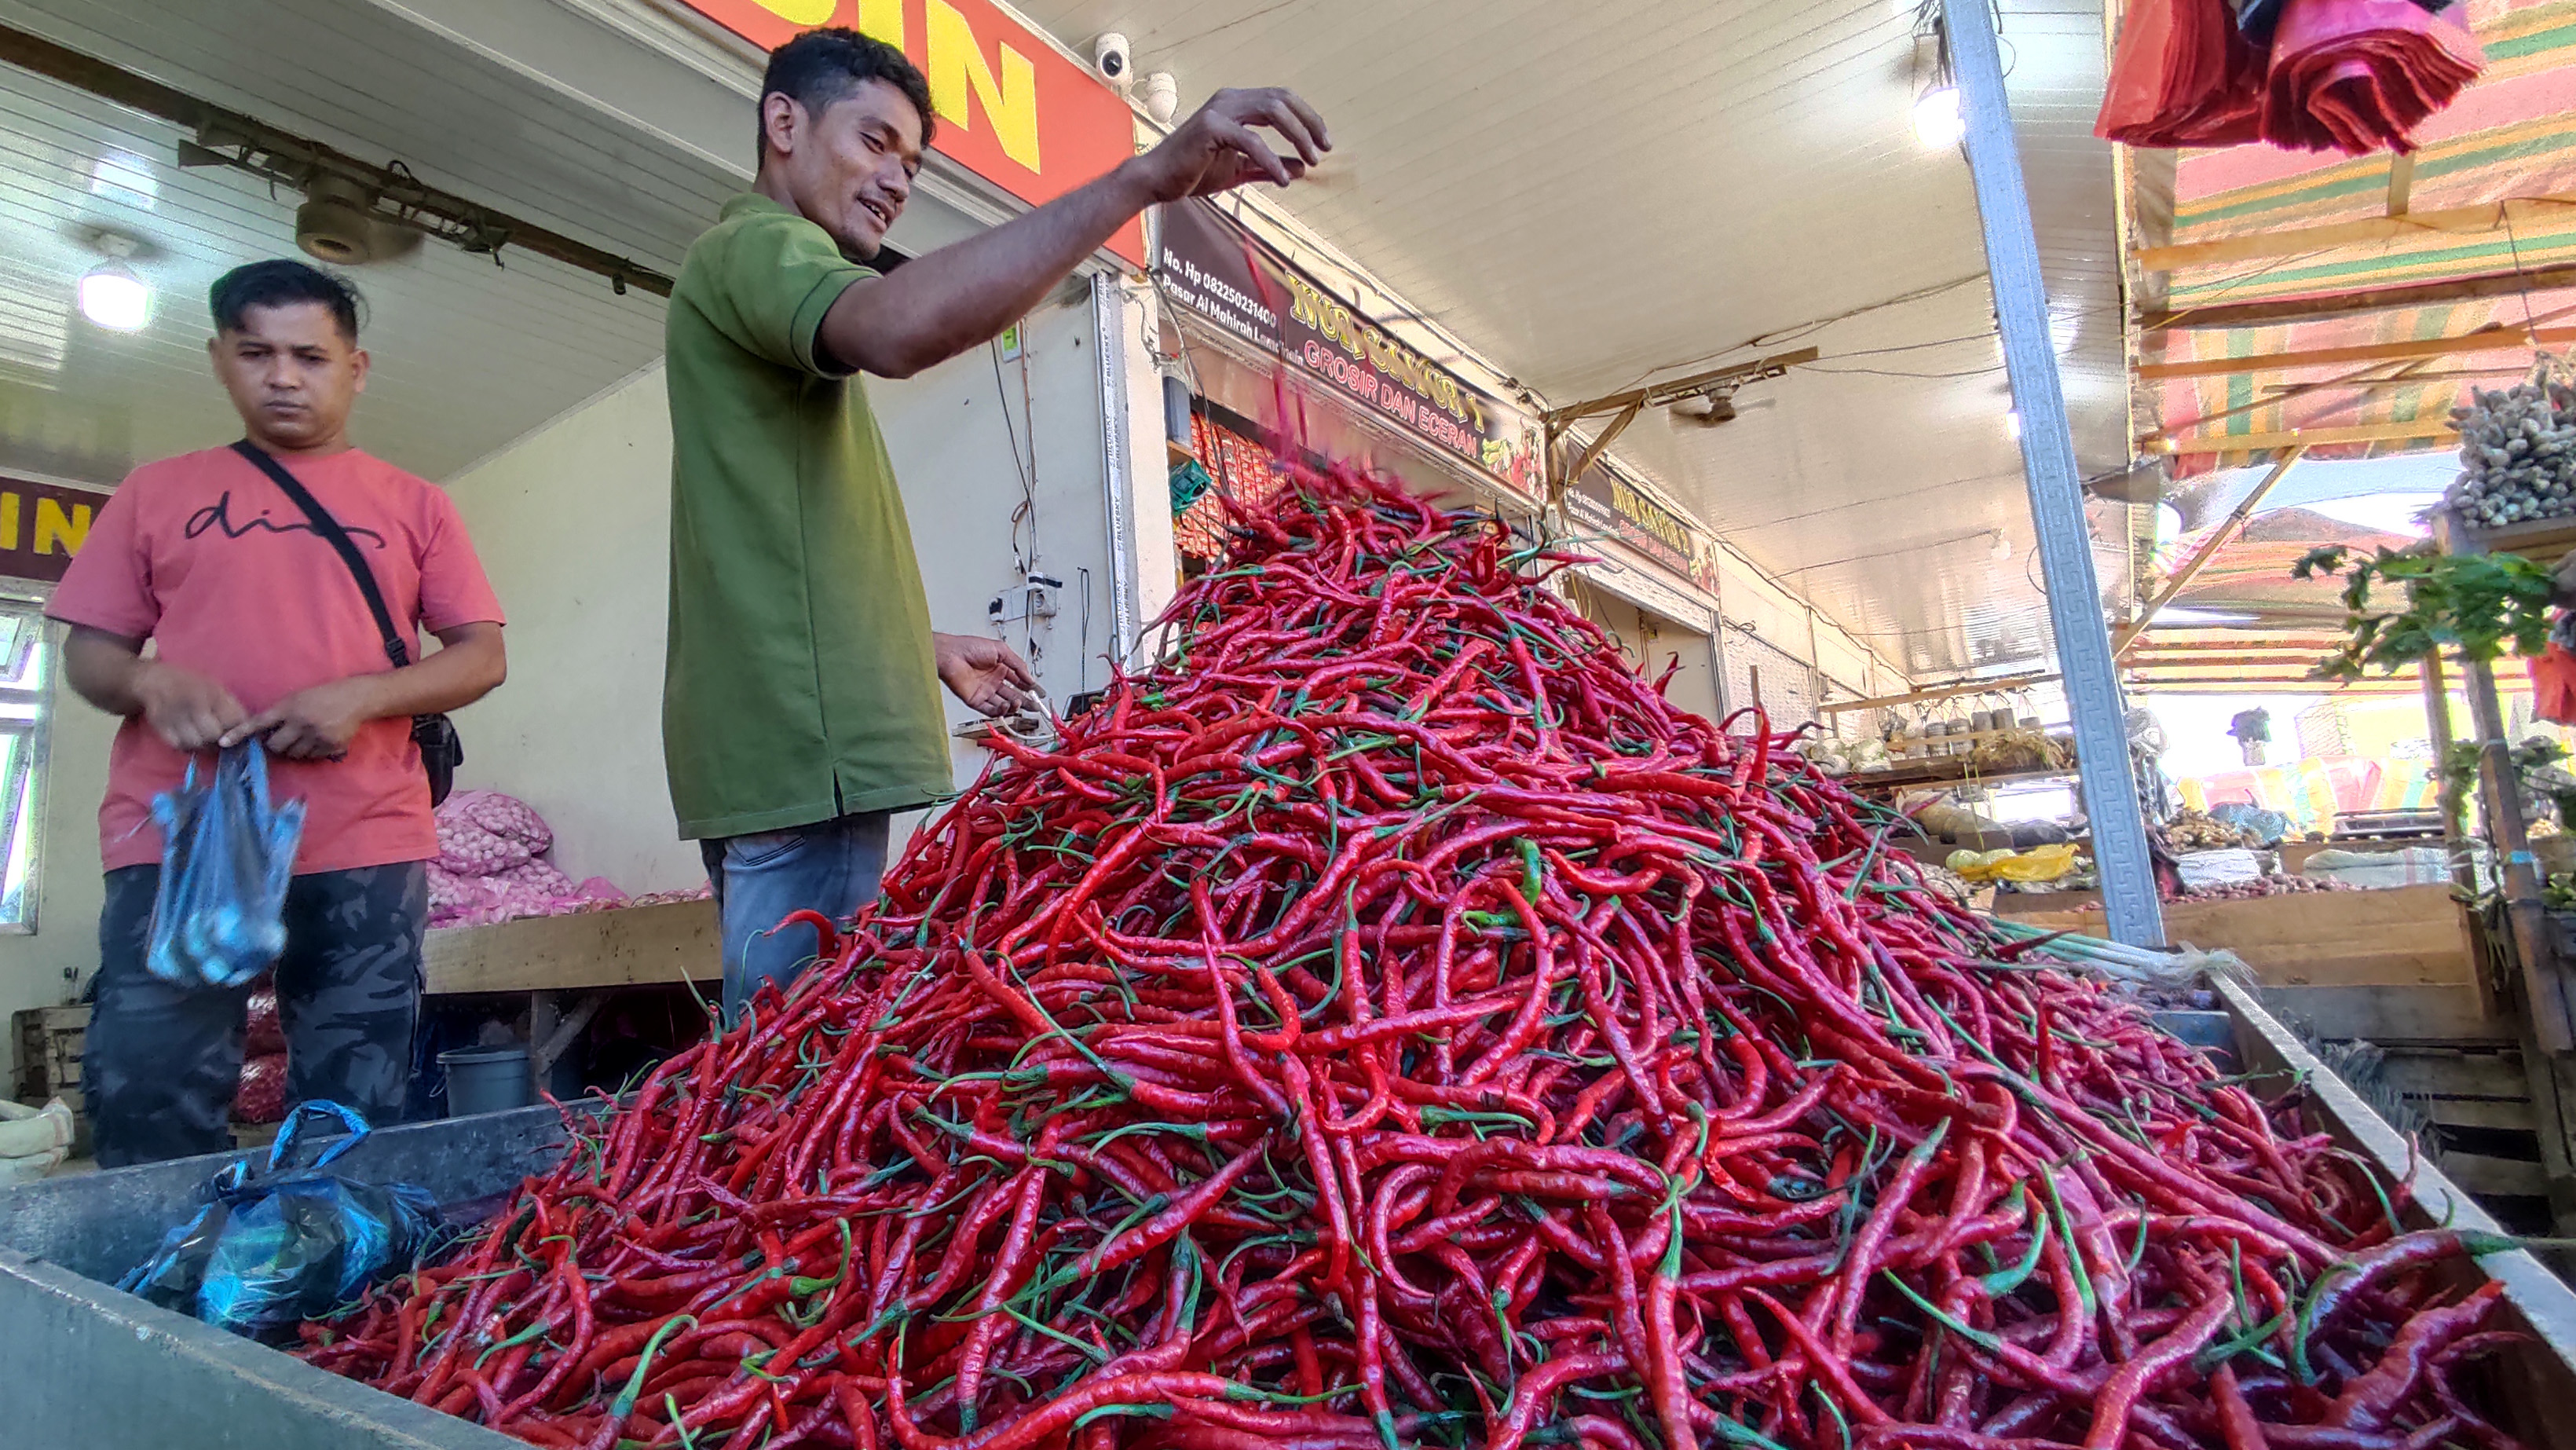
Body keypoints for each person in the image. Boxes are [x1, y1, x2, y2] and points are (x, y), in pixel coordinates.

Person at [665, 27, 1329, 1019]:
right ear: (783, 123)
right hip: (808, 771)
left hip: (806, 757)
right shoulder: (760, 244)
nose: (896, 180)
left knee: (802, 1079)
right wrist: (1140, 180)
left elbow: (774, 548)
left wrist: (916, 645)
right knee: (789, 1080)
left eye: (912, 162)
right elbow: (895, 327)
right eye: (874, 140)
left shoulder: (757, 281)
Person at [48, 259, 508, 1166]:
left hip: (363, 836)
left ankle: (315, 1293)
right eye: (257, 352)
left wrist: (363, 696)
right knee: (149, 1089)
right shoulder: (155, 492)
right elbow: (91, 653)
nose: (284, 375)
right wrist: (150, 683)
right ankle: (160, 1291)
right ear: (221, 359)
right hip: (178, 836)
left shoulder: (417, 505)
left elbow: (482, 654)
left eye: (310, 354)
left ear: (356, 367)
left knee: (353, 1102)